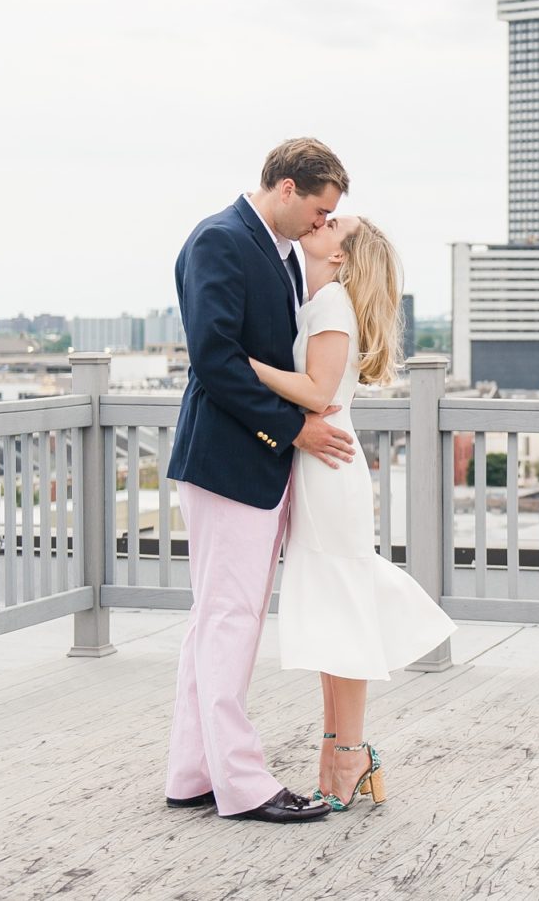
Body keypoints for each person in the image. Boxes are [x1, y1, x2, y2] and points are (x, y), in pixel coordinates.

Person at [163, 138, 356, 824]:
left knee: (214, 621)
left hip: (248, 462)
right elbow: (214, 360)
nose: (321, 223)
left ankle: (192, 772)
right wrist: (293, 427)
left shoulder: (273, 249)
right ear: (285, 188)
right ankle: (241, 785)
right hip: (228, 460)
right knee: (228, 623)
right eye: (317, 209)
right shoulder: (219, 241)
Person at [249, 214, 457, 811]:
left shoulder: (332, 302)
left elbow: (319, 393)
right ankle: (340, 752)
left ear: (340, 256)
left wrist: (241, 366)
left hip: (329, 472)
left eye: (333, 222)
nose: (321, 220)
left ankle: (348, 757)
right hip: (318, 468)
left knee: (340, 610)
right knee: (330, 615)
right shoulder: (320, 299)